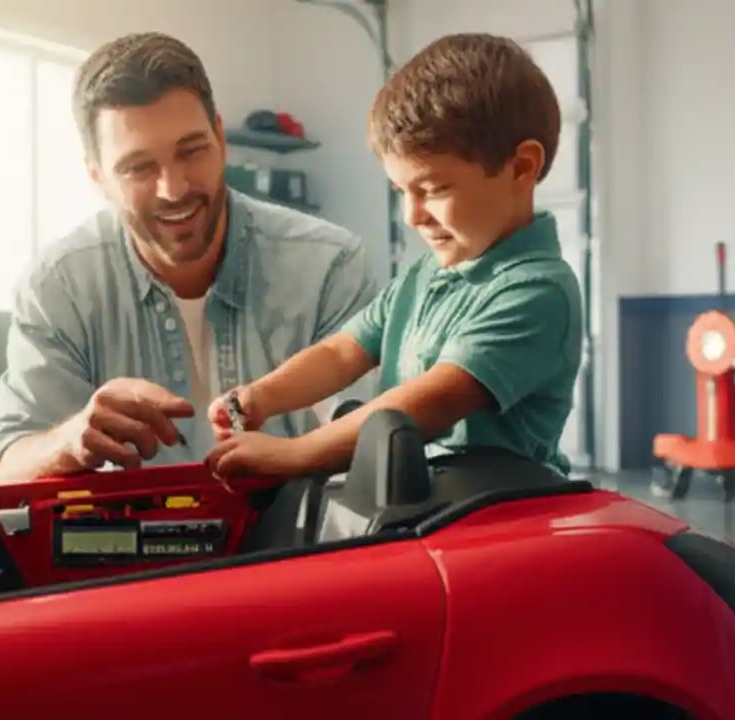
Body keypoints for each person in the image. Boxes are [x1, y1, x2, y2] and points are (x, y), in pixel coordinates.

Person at [0, 32, 380, 483]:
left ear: (220, 139)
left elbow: (378, 437)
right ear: (97, 177)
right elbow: (7, 471)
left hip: (302, 545)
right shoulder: (57, 285)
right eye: (139, 167)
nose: (173, 189)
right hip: (123, 551)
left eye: (191, 151)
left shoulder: (330, 265)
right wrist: (72, 439)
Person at [205, 33, 583, 479]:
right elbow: (341, 353)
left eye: (435, 189)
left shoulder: (537, 291)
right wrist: (262, 396)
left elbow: (427, 404)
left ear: (521, 168)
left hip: (493, 506)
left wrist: (298, 453)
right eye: (403, 191)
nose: (412, 215)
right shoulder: (423, 277)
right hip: (419, 493)